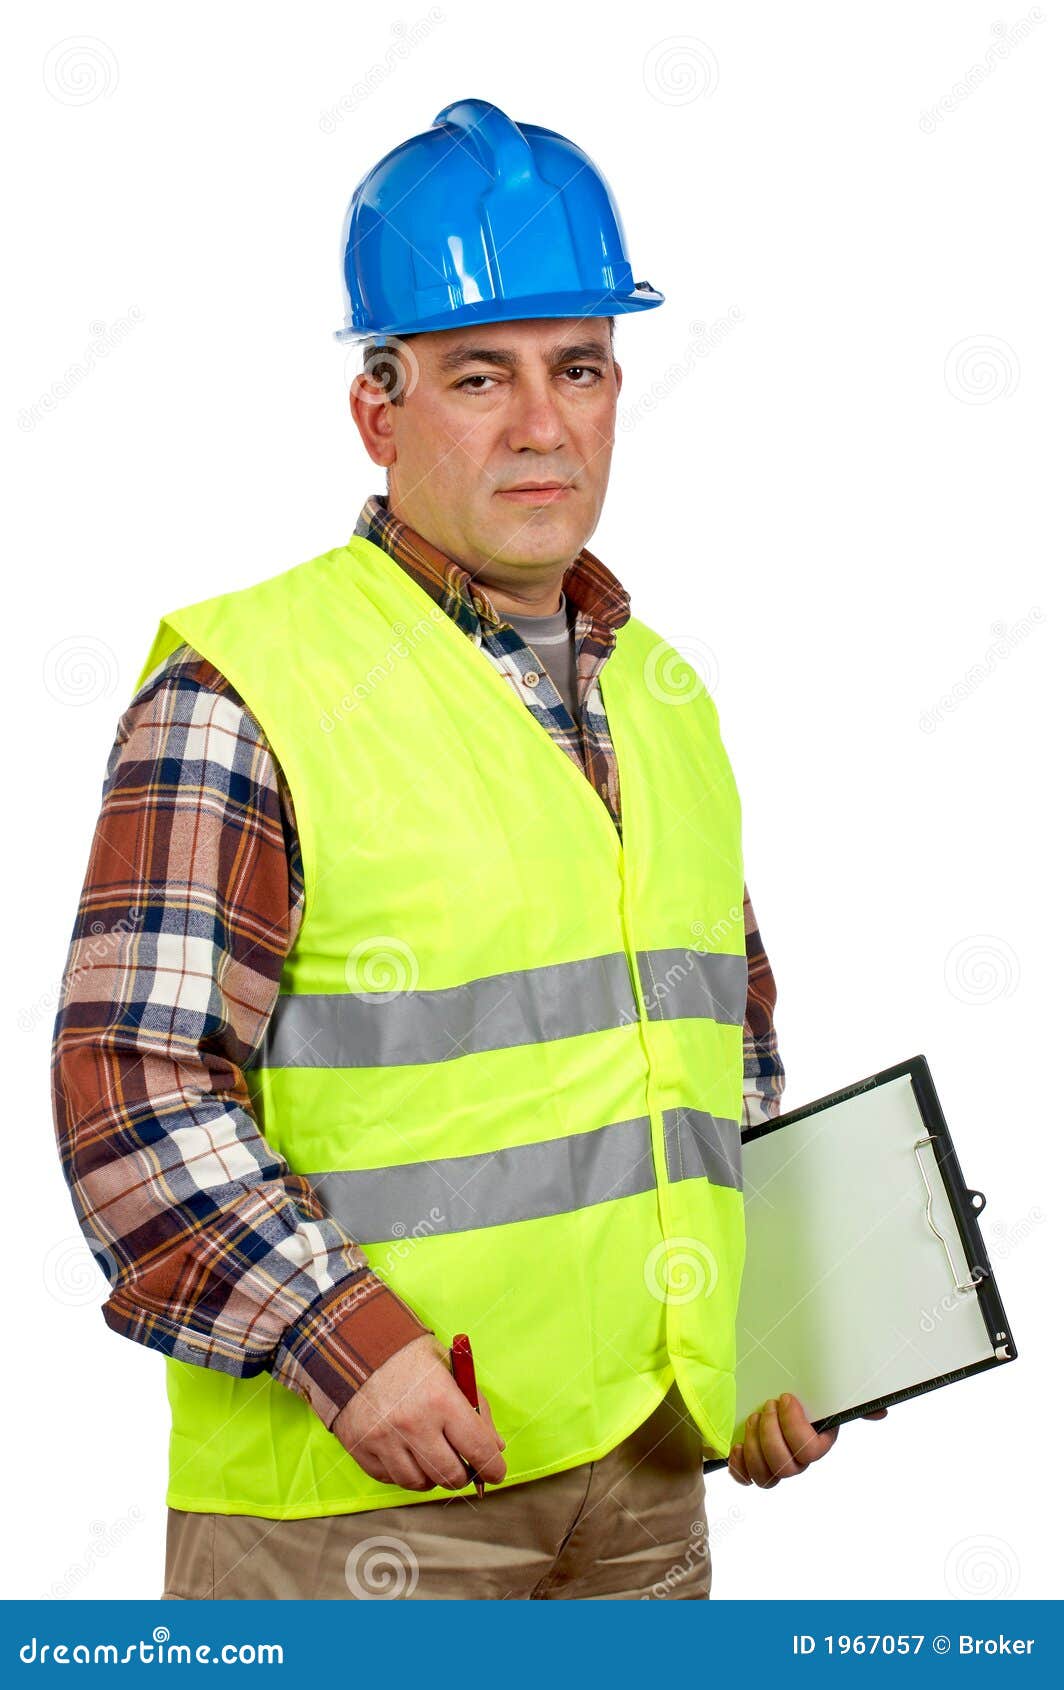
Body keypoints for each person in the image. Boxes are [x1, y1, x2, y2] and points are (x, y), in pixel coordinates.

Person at [50, 98, 882, 1602]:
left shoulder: (664, 696)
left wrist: (769, 1335)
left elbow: (718, 1061)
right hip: (350, 1505)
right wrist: (343, 1340)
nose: (543, 423)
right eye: (479, 375)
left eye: (579, 369)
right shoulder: (252, 684)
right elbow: (132, 1086)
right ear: (379, 409)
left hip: (643, 1486)